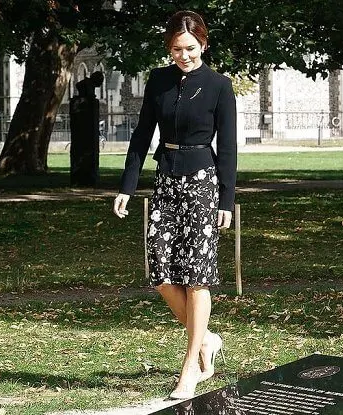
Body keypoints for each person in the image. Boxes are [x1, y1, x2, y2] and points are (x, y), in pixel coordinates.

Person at [112, 10, 237, 399]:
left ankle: (190, 369)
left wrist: (227, 200)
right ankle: (206, 340)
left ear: (204, 44)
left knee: (197, 276)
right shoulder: (159, 81)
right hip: (165, 180)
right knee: (162, 275)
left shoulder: (219, 86)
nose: (183, 56)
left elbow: (228, 149)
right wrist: (126, 188)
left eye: (190, 48)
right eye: (176, 49)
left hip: (203, 184)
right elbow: (141, 136)